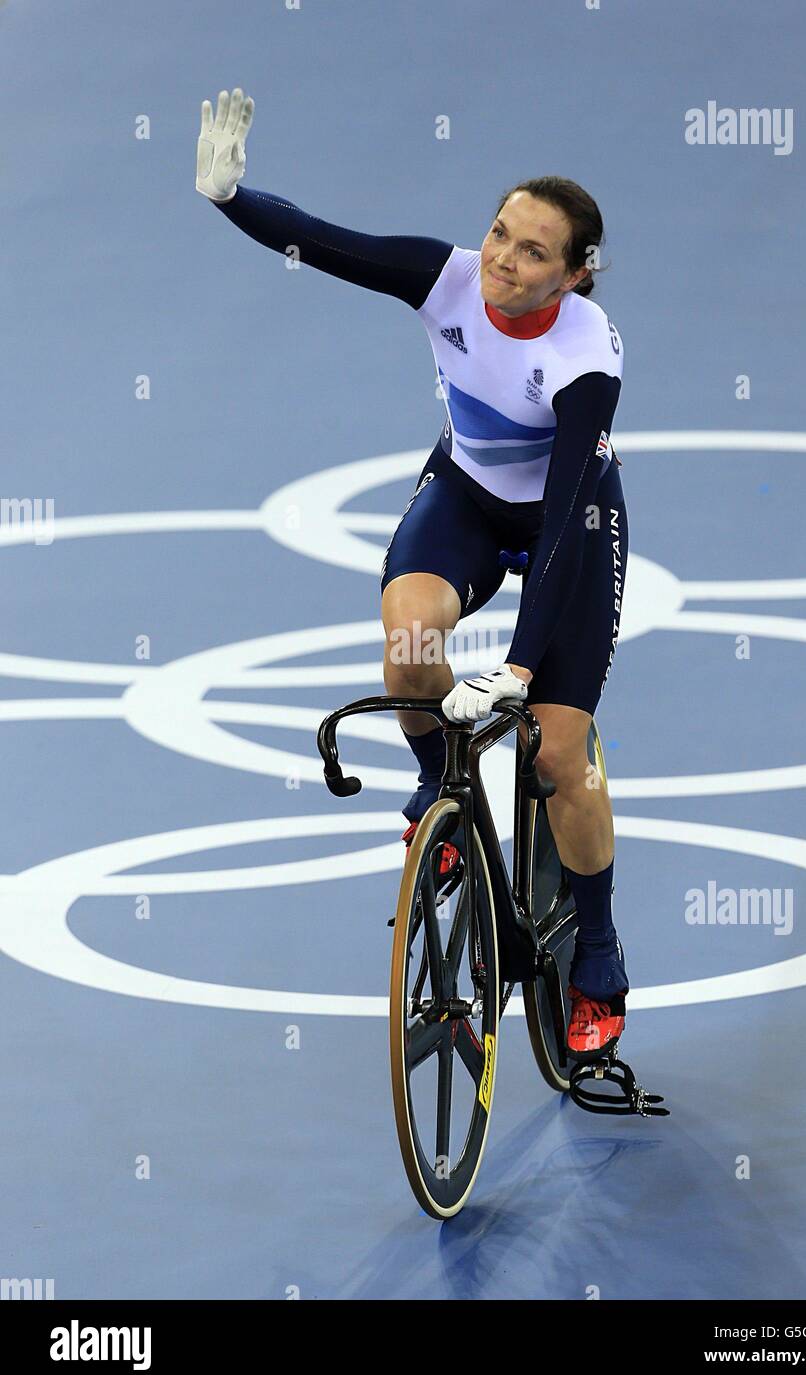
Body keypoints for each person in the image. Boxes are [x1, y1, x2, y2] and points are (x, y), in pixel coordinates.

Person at [196, 88, 629, 1058]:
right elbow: (321, 239)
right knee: (408, 649)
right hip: (467, 497)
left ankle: (598, 946)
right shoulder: (445, 279)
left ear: (573, 275)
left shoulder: (582, 356)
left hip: (567, 520)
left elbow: (560, 517)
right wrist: (231, 198)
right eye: (498, 233)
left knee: (557, 758)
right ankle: (440, 794)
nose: (502, 263)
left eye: (530, 253)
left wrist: (518, 667)